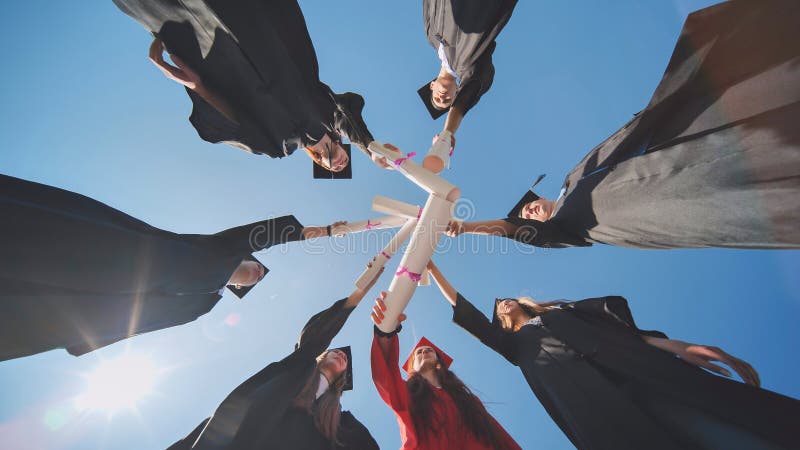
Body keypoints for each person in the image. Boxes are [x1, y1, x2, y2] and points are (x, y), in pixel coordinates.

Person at [447, 0, 800, 248]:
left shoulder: (574, 176)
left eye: (528, 205)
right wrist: (466, 228)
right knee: (746, 176)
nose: (529, 210)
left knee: (740, 91)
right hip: (649, 200)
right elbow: (511, 228)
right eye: (528, 216)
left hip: (662, 138)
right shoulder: (565, 229)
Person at [427, 260, 800, 450]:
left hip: (641, 375)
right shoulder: (513, 344)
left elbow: (627, 336)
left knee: (724, 431)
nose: (503, 304)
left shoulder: (563, 312)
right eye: (498, 309)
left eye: (505, 299)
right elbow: (472, 317)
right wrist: (432, 268)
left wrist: (680, 347)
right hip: (596, 405)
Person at [0, 173, 349, 361]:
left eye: (254, 277)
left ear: (235, 290)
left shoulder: (204, 303)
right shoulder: (214, 253)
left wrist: (89, 339)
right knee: (43, 244)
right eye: (257, 267)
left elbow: (145, 323)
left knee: (28, 312)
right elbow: (267, 234)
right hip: (116, 257)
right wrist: (324, 231)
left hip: (90, 311)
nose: (257, 273)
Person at [112, 0, 389, 179]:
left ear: (319, 164)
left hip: (217, 53)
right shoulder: (327, 113)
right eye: (342, 162)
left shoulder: (276, 146)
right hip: (255, 25)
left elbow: (232, 122)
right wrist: (371, 149)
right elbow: (347, 112)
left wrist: (195, 85)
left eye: (331, 168)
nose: (339, 165)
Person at [167, 268, 384, 449]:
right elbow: (314, 337)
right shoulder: (298, 368)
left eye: (344, 359)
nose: (341, 354)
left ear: (343, 379)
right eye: (333, 351)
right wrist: (358, 294)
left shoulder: (340, 422)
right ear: (320, 354)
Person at [370, 293, 521, 450]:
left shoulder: (466, 399)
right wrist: (386, 330)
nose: (423, 352)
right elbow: (384, 376)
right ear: (412, 367)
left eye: (428, 350)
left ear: (438, 363)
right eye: (418, 353)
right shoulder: (407, 393)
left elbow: (496, 434)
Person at [417, 0, 518, 173]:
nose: (442, 97)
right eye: (447, 100)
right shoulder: (469, 63)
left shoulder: (431, 37)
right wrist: (447, 133)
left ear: (432, 85)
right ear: (457, 91)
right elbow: (473, 86)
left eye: (436, 98)